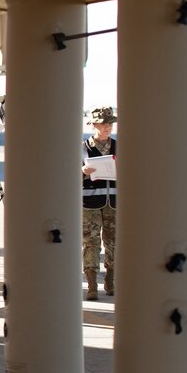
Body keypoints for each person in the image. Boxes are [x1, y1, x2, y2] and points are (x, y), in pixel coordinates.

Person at [81, 106, 117, 300]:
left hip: (114, 204)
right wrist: (82, 172)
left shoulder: (119, 147)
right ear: (94, 124)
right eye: (103, 124)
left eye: (110, 124)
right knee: (90, 244)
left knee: (114, 244)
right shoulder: (82, 148)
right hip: (90, 204)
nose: (107, 127)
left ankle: (110, 281)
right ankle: (92, 284)